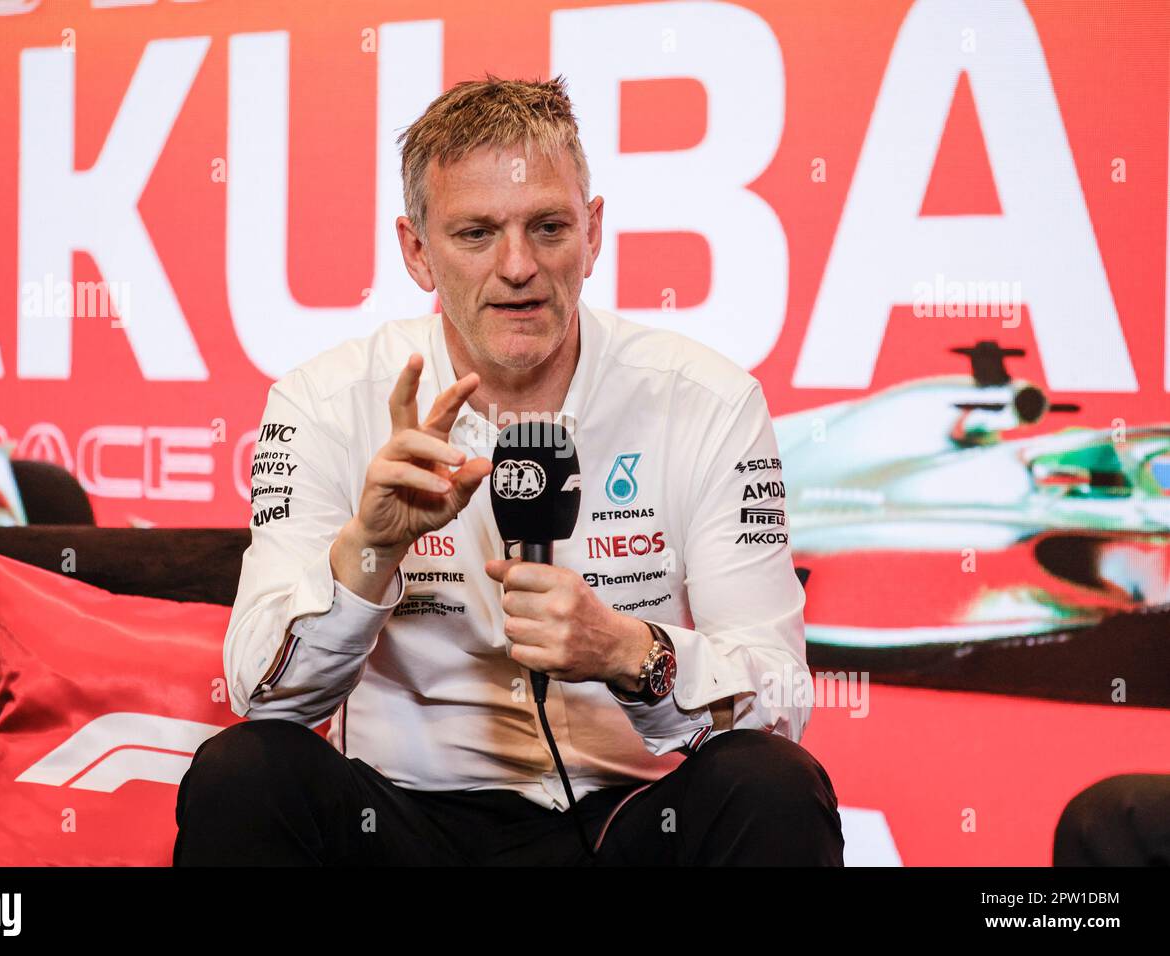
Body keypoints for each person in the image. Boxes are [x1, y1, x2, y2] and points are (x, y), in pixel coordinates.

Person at [174, 76, 844, 866]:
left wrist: (632, 653)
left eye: (549, 227)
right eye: (477, 233)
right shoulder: (323, 402)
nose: (518, 266)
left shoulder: (709, 402)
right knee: (244, 774)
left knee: (773, 784)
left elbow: (782, 701)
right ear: (417, 252)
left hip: (630, 824)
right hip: (400, 827)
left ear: (593, 233)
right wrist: (371, 550)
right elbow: (264, 698)